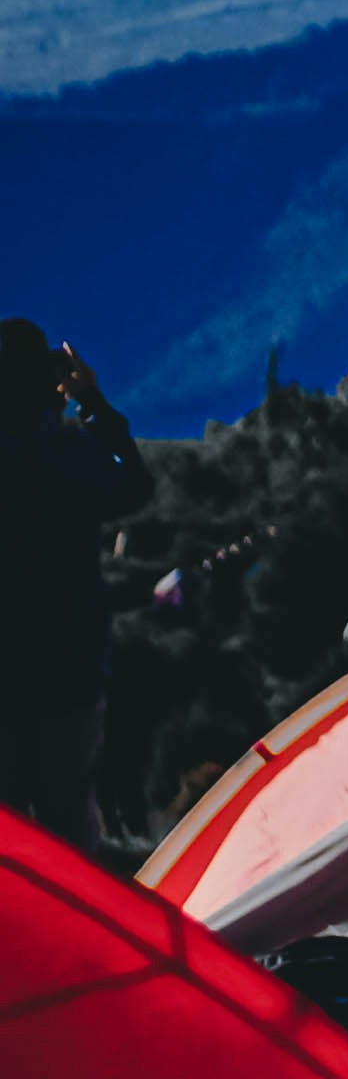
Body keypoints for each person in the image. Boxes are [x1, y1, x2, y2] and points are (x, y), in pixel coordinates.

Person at [0, 322, 150, 842]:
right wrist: (91, 401)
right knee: (70, 824)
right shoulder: (70, 453)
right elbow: (136, 486)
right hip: (70, 671)